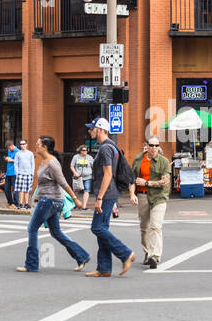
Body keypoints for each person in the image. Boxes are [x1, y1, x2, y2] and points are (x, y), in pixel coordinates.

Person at [17, 135, 89, 273]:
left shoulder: (52, 163)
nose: (35, 145)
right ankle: (82, 256)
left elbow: (63, 182)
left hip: (49, 200)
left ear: (45, 147)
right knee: (56, 232)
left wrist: (75, 199)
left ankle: (31, 264)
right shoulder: (44, 161)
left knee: (32, 229)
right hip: (51, 200)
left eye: (38, 144)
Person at [85, 117, 135, 278]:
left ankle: (125, 253)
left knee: (97, 227)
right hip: (110, 193)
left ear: (100, 129)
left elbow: (108, 174)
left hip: (106, 194)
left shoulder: (106, 149)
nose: (89, 131)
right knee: (102, 229)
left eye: (91, 128)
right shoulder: (111, 147)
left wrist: (99, 198)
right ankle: (104, 268)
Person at [130, 135, 171, 269]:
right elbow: (133, 179)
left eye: (156, 145)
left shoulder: (163, 161)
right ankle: (148, 253)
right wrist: (132, 194)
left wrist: (147, 183)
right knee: (144, 228)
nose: (154, 148)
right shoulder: (138, 159)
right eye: (151, 145)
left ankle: (155, 256)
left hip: (159, 197)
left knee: (155, 226)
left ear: (159, 147)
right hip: (142, 196)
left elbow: (165, 182)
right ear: (146, 146)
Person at [13, 138, 35, 210]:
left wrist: (32, 172)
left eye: (24, 144)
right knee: (20, 190)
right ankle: (20, 204)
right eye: (21, 144)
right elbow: (16, 164)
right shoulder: (18, 154)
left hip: (29, 173)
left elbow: (32, 163)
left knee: (27, 190)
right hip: (20, 173)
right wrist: (17, 173)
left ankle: (26, 204)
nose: (22, 145)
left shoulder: (30, 153)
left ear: (26, 144)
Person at [4, 139, 18, 208]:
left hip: (14, 173)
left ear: (12, 145)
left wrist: (11, 160)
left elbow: (20, 161)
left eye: (9, 148)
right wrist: (7, 158)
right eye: (8, 149)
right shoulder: (9, 151)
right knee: (6, 189)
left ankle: (15, 203)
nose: (9, 150)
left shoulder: (18, 151)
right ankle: (10, 202)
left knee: (15, 189)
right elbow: (9, 158)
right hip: (8, 173)